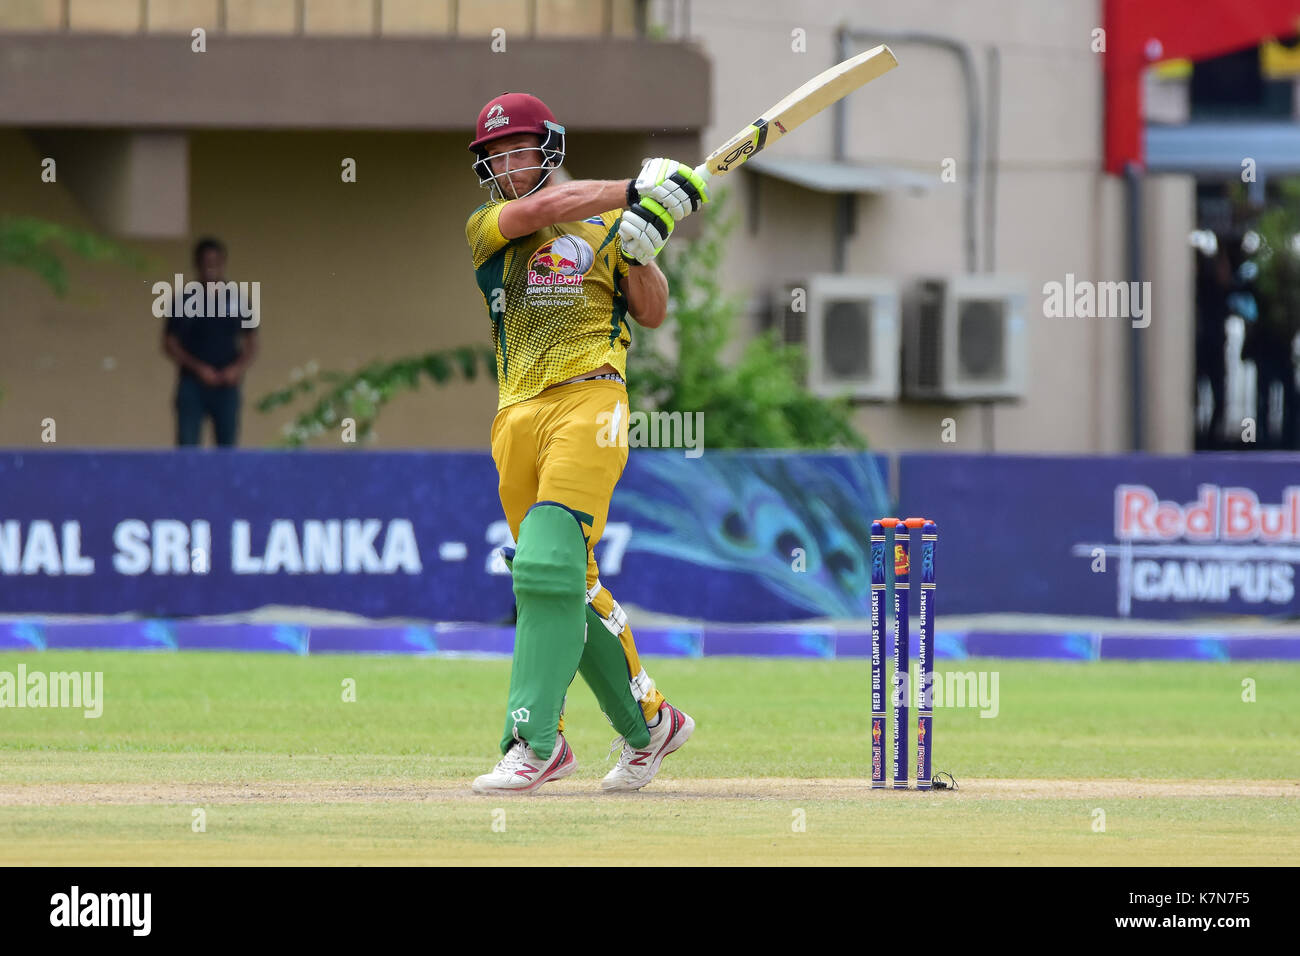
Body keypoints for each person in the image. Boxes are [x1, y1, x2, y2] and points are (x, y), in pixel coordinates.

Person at [463, 92, 710, 793]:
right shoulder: (489, 227)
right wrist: (639, 189)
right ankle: (650, 726)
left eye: (520, 149)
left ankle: (534, 741)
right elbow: (543, 211)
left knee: (542, 568)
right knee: (565, 583)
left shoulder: (607, 224)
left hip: (593, 399)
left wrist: (640, 246)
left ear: (549, 147)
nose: (510, 165)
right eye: (496, 155)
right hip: (516, 414)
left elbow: (654, 312)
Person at [162, 238, 258, 447]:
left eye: (215, 261)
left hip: (227, 385)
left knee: (227, 449)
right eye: (205, 261)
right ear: (197, 264)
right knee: (187, 447)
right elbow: (170, 343)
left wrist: (237, 369)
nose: (210, 267)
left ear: (223, 262)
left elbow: (251, 342)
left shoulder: (237, 299)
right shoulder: (184, 300)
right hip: (192, 385)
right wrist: (199, 368)